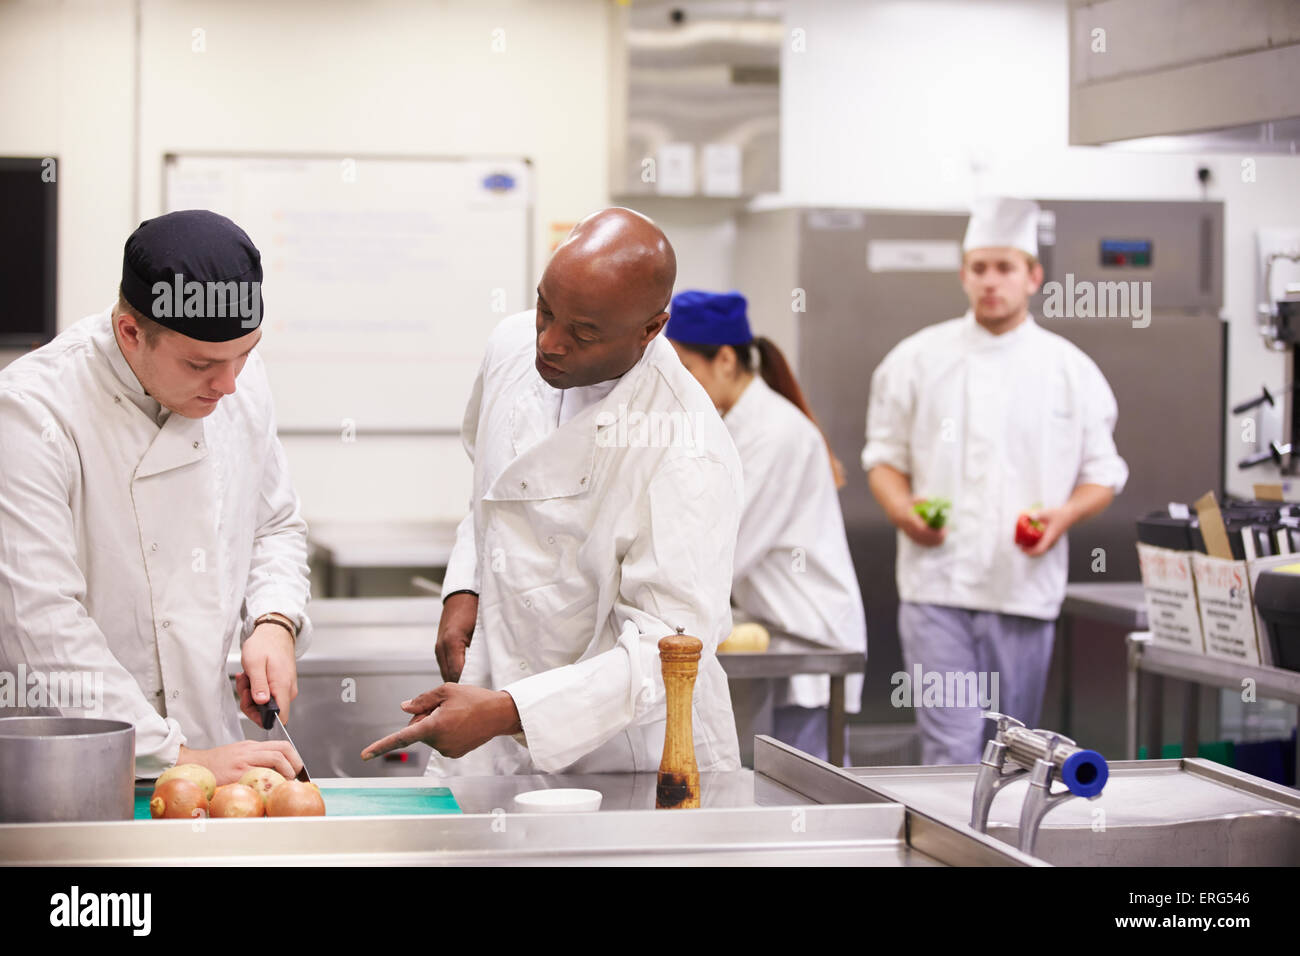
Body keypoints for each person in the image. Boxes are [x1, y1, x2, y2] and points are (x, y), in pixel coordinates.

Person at [362, 208, 744, 774]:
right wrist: (463, 587)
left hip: (625, 750)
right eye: (545, 309)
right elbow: (487, 487)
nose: (549, 342)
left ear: (650, 329)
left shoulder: (687, 447)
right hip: (493, 714)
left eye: (584, 332)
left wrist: (509, 711)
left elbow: (668, 654)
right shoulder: (511, 345)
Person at [0, 210, 309, 782]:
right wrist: (177, 758)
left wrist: (274, 621)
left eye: (246, 353)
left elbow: (274, 526)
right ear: (130, 333)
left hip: (217, 755)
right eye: (201, 364)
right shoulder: (31, 413)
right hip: (78, 765)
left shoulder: (239, 377)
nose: (229, 385)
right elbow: (37, 621)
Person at [861, 196, 1129, 765]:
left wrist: (1064, 517)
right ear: (963, 274)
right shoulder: (917, 358)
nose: (990, 281)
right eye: (979, 268)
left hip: (1023, 591)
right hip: (937, 589)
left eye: (1005, 267)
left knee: (1014, 750)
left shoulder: (1069, 371)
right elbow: (882, 459)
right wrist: (903, 511)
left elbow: (1102, 475)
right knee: (953, 753)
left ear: (1033, 276)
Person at [665, 290, 865, 763]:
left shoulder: (775, 434)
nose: (679, 390)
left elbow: (726, 545)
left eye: (686, 372)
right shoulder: (733, 424)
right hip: (774, 628)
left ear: (727, 359)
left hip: (807, 632)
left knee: (805, 797)